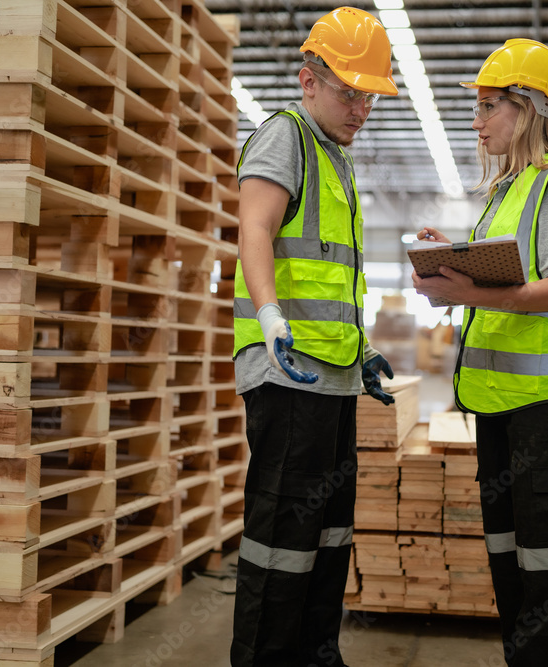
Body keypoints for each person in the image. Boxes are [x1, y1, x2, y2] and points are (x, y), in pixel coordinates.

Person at [411, 38, 548, 667]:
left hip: (547, 410)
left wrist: (467, 288)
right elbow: (505, 281)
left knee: (545, 572)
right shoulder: (504, 194)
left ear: (527, 110)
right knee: (509, 563)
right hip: (500, 405)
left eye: (488, 106)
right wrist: (455, 257)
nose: (477, 121)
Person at [230, 7, 398, 666]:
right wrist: (270, 317)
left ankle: (316, 655)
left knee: (328, 534)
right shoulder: (287, 137)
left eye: (369, 96)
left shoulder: (336, 157)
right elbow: (255, 230)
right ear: (307, 81)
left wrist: (360, 355)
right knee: (282, 535)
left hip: (329, 377)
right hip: (285, 372)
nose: (361, 107)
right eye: (348, 91)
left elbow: (331, 280)